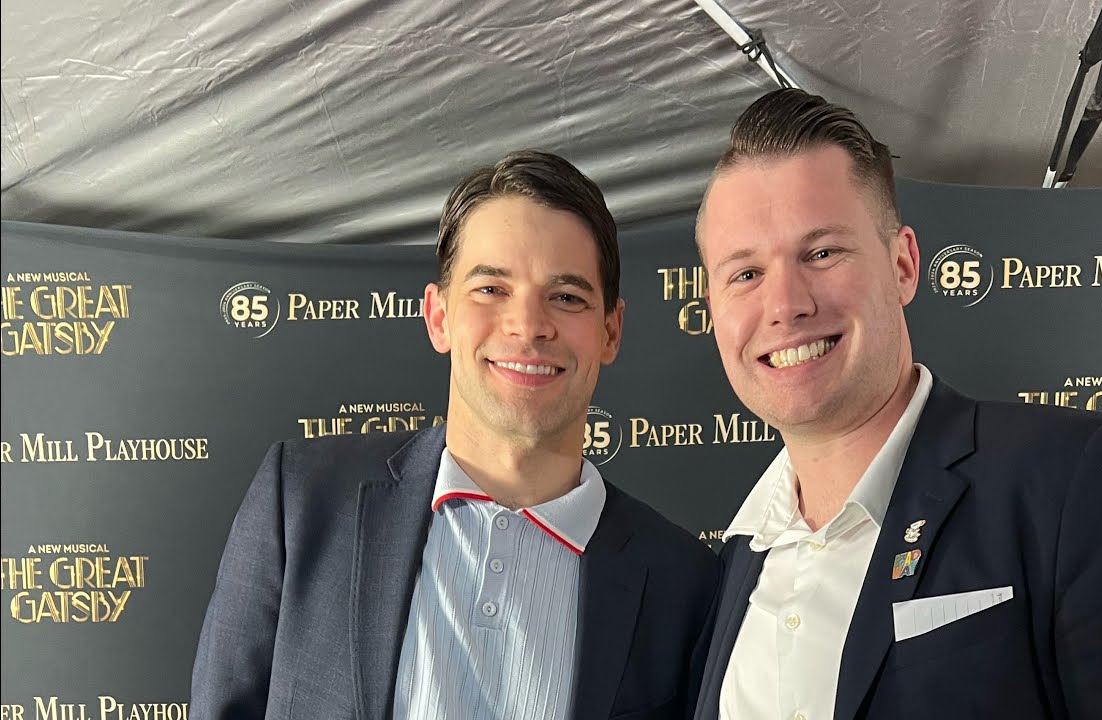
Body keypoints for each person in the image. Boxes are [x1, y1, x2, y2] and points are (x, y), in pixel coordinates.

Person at [691, 89, 1102, 720]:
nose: (785, 304)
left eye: (822, 252)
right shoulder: (733, 567)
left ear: (903, 264)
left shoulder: (1082, 482)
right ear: (712, 309)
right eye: (744, 274)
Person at [192, 150, 718, 720]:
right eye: (491, 289)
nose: (528, 325)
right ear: (439, 317)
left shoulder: (683, 582)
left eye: (566, 297)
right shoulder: (300, 501)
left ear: (610, 332)